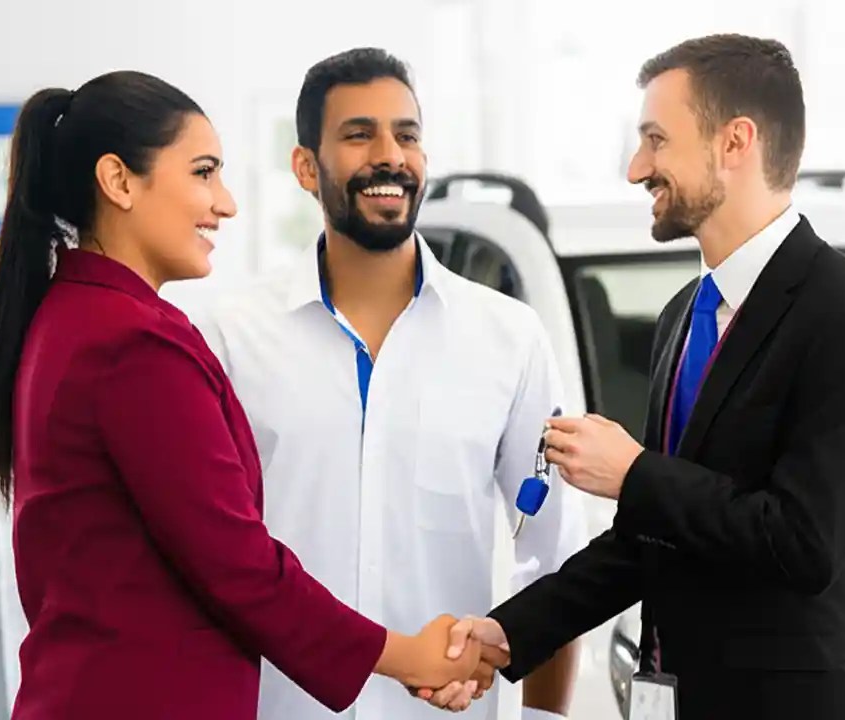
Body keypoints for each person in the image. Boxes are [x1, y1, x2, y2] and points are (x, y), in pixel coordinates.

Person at [0, 70, 480, 720]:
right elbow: (235, 564)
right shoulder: (130, 345)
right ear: (119, 181)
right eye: (203, 172)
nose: (227, 203)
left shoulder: (72, 316)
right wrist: (406, 655)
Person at [443, 34, 845, 720]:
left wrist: (634, 474)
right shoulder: (683, 317)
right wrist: (509, 634)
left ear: (735, 142)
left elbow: (805, 544)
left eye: (656, 140)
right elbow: (653, 538)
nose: (637, 168)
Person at [192, 49, 586, 720]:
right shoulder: (229, 337)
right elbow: (207, 558)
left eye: (407, 135)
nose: (391, 155)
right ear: (306, 167)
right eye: (359, 134)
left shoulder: (507, 338)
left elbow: (552, 561)